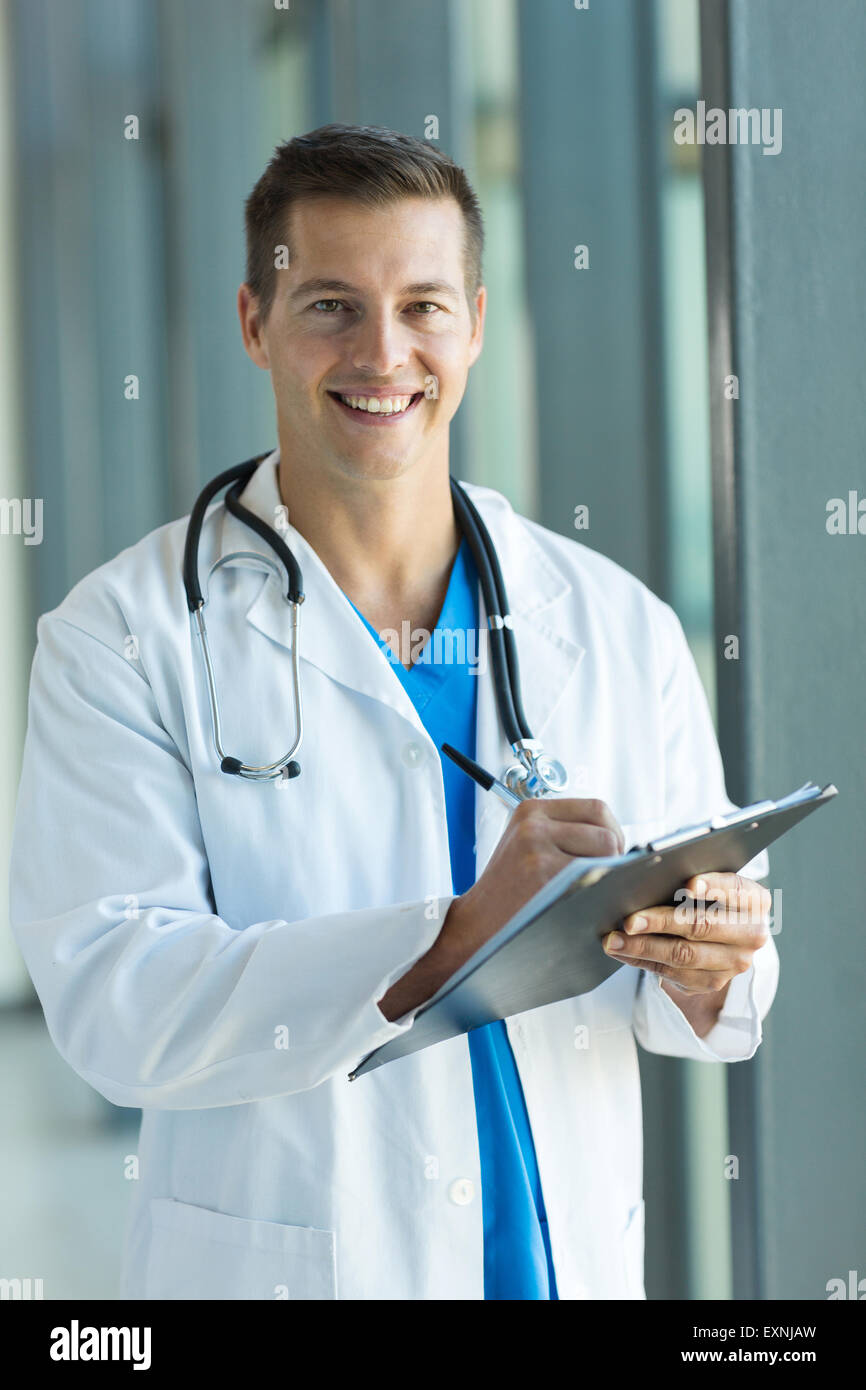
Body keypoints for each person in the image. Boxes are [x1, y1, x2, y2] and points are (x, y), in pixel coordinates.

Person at [9, 124, 777, 1301]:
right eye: (328, 304)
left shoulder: (612, 621)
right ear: (253, 323)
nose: (383, 352)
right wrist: (454, 935)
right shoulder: (121, 639)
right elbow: (119, 1008)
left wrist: (710, 961)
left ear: (471, 321)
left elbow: (701, 983)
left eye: (422, 305)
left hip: (564, 1262)